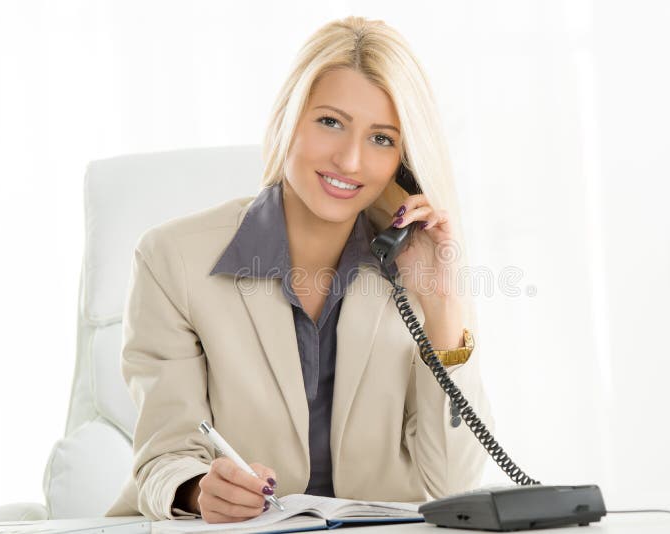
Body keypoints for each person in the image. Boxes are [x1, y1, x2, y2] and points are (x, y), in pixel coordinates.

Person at [106, 15, 492, 523]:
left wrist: (442, 307)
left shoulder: (415, 267)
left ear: (405, 162)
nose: (350, 160)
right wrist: (199, 490)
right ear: (287, 119)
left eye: (382, 139)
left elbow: (451, 484)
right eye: (330, 122)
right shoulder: (171, 259)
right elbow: (165, 456)